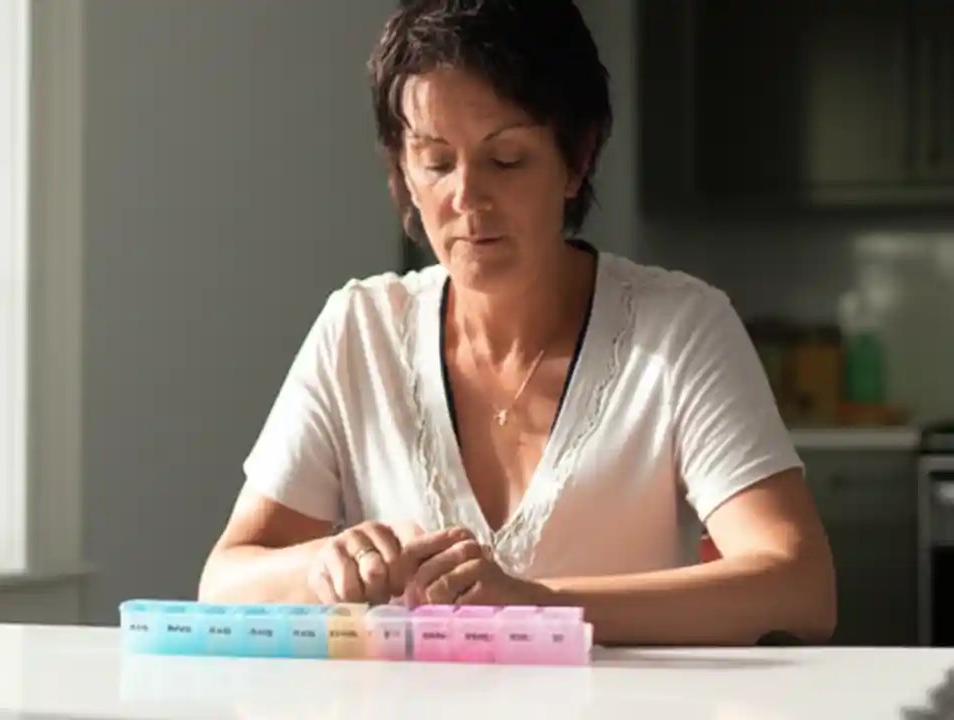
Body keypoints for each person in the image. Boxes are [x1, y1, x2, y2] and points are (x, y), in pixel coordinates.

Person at [198, 0, 836, 647]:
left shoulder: (679, 329)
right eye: (437, 161)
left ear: (577, 158)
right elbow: (224, 580)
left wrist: (541, 607)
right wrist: (319, 566)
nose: (468, 198)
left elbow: (798, 585)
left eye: (506, 160)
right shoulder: (360, 328)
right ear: (402, 169)